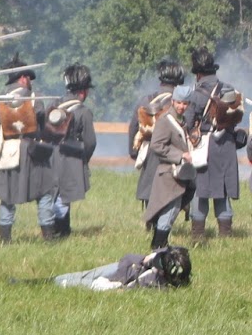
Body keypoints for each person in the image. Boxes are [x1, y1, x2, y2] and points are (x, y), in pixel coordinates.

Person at [181, 47, 246, 240]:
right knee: (222, 191)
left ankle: (198, 237)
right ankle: (226, 236)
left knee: (201, 192)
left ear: (198, 73)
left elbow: (189, 122)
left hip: (205, 148)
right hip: (226, 146)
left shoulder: (195, 95)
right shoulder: (228, 89)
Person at [0, 58, 55, 243]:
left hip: (8, 154)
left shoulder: (0, 100)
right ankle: (49, 239)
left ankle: (5, 240)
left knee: (6, 197)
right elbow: (43, 126)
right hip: (33, 153)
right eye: (28, 78)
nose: (30, 82)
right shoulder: (36, 99)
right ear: (23, 78)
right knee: (45, 194)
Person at [144, 83, 196, 248]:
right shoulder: (165, 121)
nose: (182, 106)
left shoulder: (182, 121)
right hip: (168, 174)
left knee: (172, 212)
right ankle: (158, 247)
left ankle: (160, 246)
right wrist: (180, 155)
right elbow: (157, 145)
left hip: (179, 174)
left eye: (185, 103)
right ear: (173, 101)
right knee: (169, 212)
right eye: (179, 102)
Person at [48, 64, 97, 239]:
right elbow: (90, 142)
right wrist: (83, 159)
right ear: (83, 91)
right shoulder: (84, 112)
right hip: (72, 159)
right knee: (63, 198)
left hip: (51, 157)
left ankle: (54, 228)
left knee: (54, 195)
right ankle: (60, 232)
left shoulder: (54, 104)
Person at [130, 59, 183, 214]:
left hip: (150, 150)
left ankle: (151, 221)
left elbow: (134, 127)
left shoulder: (146, 100)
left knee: (150, 186)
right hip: (174, 152)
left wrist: (134, 152)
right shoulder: (182, 102)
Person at [52, 246, 191, 291]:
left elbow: (132, 287)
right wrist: (151, 258)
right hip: (123, 267)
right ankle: (55, 280)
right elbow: (162, 252)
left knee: (68, 281)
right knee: (80, 275)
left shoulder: (155, 282)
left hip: (116, 281)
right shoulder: (165, 255)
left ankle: (57, 282)